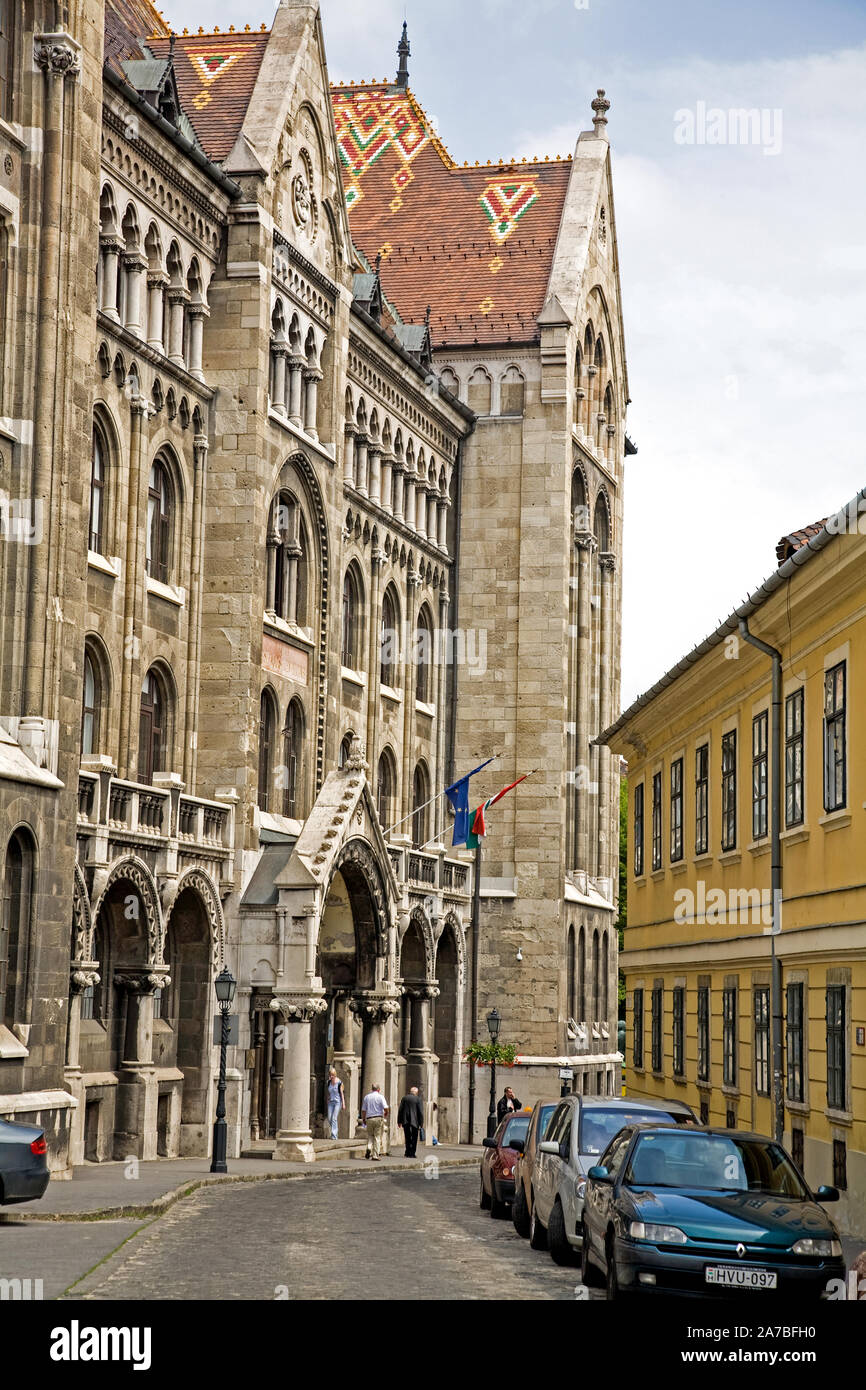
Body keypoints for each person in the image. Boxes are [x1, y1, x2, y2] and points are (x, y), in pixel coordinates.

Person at [361, 1083, 389, 1160]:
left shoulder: (366, 1097)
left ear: (372, 1089)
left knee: (370, 1135)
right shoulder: (381, 1097)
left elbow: (363, 1110)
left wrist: (363, 1119)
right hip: (378, 1118)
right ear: (378, 1089)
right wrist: (386, 1113)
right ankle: (375, 1155)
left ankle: (369, 1147)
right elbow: (386, 1107)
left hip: (369, 1118)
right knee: (377, 1136)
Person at [397, 1085, 424, 1158]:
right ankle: (412, 1153)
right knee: (414, 1138)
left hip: (405, 1120)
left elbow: (400, 1110)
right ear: (416, 1092)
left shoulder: (404, 1098)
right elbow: (420, 1112)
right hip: (415, 1121)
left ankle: (407, 1152)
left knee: (407, 1137)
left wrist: (399, 1121)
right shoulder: (418, 1099)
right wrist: (421, 1123)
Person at [325, 1066, 345, 1140]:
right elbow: (329, 1092)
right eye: (330, 1075)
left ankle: (334, 1135)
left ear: (335, 1075)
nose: (331, 1076)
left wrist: (343, 1104)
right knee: (330, 1118)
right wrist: (328, 1099)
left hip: (337, 1102)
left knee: (334, 1118)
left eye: (332, 1075)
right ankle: (335, 1132)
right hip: (330, 1102)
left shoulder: (339, 1083)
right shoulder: (328, 1082)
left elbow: (341, 1094)